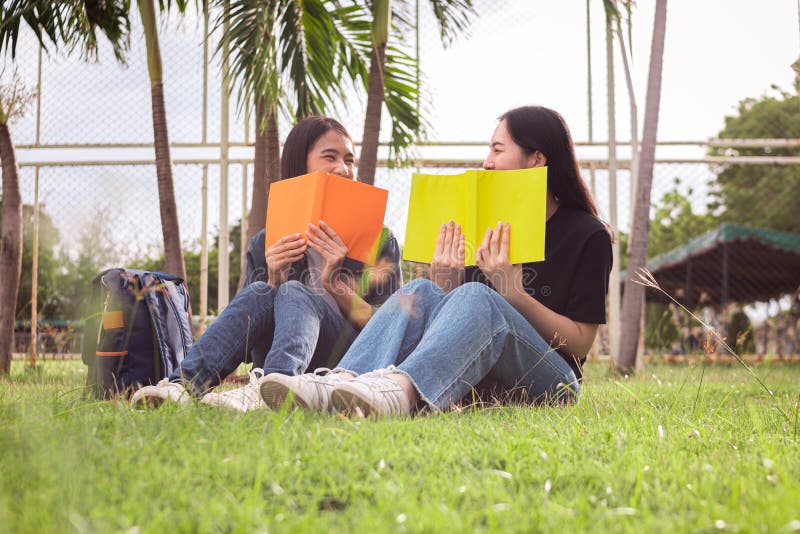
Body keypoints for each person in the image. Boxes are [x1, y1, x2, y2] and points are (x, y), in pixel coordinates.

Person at [259, 106, 613, 417]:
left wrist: (515, 294)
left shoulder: (587, 234)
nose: (487, 161)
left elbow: (580, 343)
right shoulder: (484, 220)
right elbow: (461, 327)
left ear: (536, 158)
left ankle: (399, 392)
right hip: (484, 380)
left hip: (554, 381)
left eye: (497, 150)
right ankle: (344, 381)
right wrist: (445, 282)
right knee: (420, 290)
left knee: (478, 296)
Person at [130, 116, 401, 411]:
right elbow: (243, 333)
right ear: (301, 166)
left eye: (349, 160)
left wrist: (334, 284)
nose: (344, 168)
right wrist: (274, 280)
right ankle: (182, 385)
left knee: (296, 291)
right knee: (264, 290)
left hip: (344, 361)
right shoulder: (266, 242)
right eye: (330, 157)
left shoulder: (378, 241)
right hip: (281, 349)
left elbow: (386, 327)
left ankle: (272, 385)